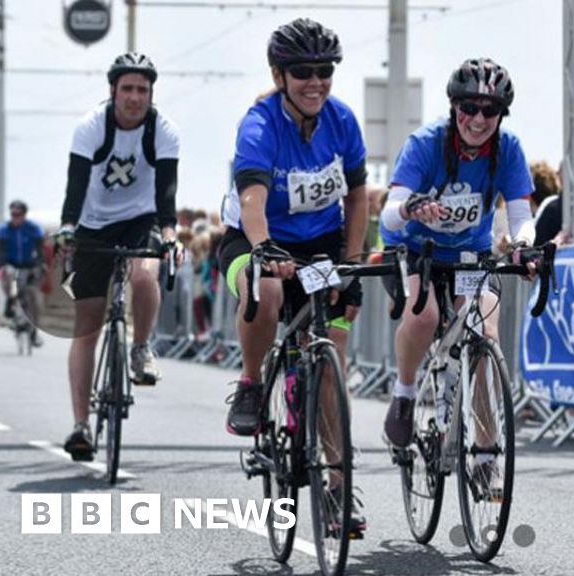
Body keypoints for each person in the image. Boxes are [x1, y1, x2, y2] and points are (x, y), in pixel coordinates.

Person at [217, 18, 368, 530]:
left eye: (324, 71)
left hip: (322, 243)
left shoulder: (342, 120)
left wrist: (350, 261)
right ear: (280, 75)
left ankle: (339, 488)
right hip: (257, 238)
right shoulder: (259, 124)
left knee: (330, 366)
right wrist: (264, 250)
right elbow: (251, 201)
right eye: (302, 72)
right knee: (266, 290)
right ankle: (250, 384)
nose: (315, 82)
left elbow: (356, 196)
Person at [379, 58, 536, 492]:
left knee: (485, 333)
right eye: (469, 108)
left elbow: (522, 215)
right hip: (417, 249)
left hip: (470, 253)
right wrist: (412, 207)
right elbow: (390, 215)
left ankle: (485, 451)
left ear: (501, 115)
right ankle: (406, 393)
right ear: (454, 108)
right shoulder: (426, 143)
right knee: (424, 316)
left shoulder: (509, 150)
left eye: (490, 111)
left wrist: (522, 245)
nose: (479, 119)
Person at [59, 52, 180, 461]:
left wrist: (168, 233)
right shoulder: (92, 126)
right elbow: (75, 184)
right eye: (127, 89)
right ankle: (80, 426)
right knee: (87, 327)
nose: (134, 97)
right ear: (113, 91)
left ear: (151, 94)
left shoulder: (163, 130)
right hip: (93, 224)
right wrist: (67, 228)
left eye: (142, 90)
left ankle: (141, 347)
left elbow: (166, 190)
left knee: (146, 275)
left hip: (140, 218)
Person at [0, 200, 46, 346]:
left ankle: (34, 332)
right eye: (13, 214)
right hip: (11, 263)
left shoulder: (33, 229)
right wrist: (2, 265)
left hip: (29, 264)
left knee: (35, 297)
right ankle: (10, 304)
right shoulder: (4, 230)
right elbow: (1, 251)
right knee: (9, 279)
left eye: (18, 214)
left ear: (24, 215)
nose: (15, 217)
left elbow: (40, 250)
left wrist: (41, 264)